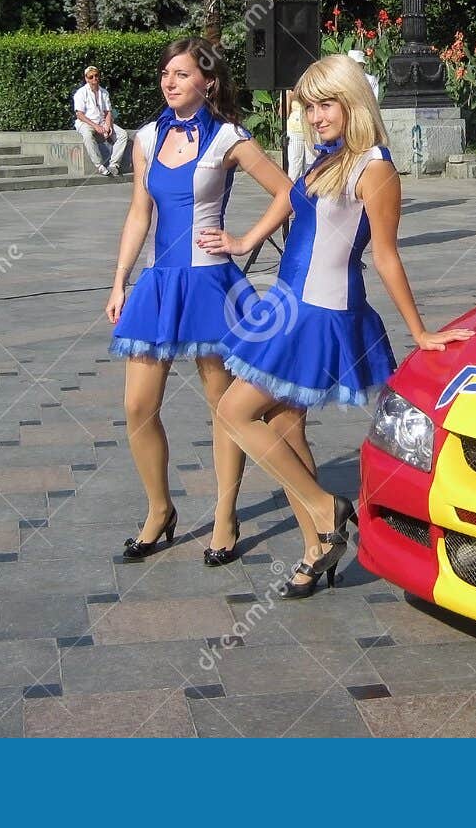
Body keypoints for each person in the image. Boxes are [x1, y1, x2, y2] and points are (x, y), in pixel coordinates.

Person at [200, 55, 473, 597]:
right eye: (309, 106)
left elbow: (388, 256)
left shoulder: (374, 167)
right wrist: (245, 240)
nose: (316, 116)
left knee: (234, 411)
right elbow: (289, 201)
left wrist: (418, 332)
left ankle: (328, 507)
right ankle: (317, 546)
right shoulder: (327, 158)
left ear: (353, 104)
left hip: (320, 311)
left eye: (326, 104)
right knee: (281, 425)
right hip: (287, 303)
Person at [105, 37, 294, 566]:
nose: (169, 81)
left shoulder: (228, 137)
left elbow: (287, 192)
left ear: (207, 81)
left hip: (212, 283)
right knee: (138, 407)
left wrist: (244, 240)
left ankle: (225, 514)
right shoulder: (145, 137)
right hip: (159, 284)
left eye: (182, 74)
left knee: (225, 410)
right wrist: (120, 281)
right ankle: (159, 509)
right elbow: (139, 212)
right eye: (166, 72)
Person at [74, 66, 121, 176]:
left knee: (122, 135)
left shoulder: (104, 92)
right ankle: (99, 165)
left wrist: (108, 125)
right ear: (86, 78)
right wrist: (96, 126)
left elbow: (108, 111)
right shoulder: (81, 93)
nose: (94, 78)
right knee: (87, 135)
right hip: (86, 122)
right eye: (91, 77)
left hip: (102, 122)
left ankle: (114, 164)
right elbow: (79, 114)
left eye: (96, 75)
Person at [284, 89, 306, 181]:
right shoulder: (288, 91)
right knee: (295, 165)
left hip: (311, 131)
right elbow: (283, 114)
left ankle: (307, 192)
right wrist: (289, 98)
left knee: (311, 165)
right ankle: (292, 191)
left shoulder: (309, 86)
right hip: (295, 132)